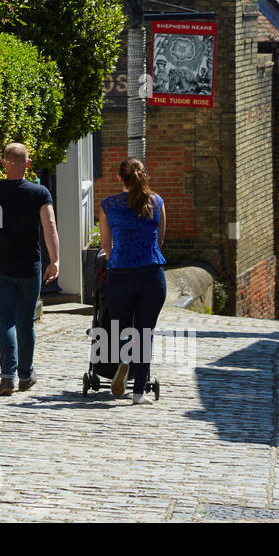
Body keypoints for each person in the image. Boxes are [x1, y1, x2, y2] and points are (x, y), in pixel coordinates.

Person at [0, 143, 60, 396]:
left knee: (5, 323)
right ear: (28, 164)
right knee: (26, 323)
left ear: (4, 163)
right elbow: (50, 226)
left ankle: (6, 377)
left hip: (0, 265)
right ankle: (25, 375)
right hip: (28, 266)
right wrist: (54, 261)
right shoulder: (39, 192)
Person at [97, 156, 166, 405]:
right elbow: (159, 240)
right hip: (151, 273)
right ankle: (138, 393)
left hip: (120, 274)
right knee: (146, 332)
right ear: (144, 175)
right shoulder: (156, 202)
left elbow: (106, 245)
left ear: (118, 178)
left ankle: (125, 358)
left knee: (123, 328)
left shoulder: (108, 205)